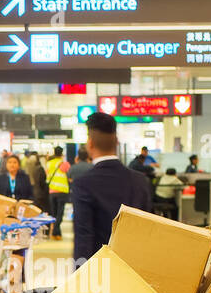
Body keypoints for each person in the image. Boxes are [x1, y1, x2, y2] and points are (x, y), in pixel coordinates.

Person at [69, 111, 152, 262]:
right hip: (135, 271)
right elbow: (147, 234)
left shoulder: (83, 184)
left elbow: (84, 237)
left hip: (101, 273)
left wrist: (80, 279)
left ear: (90, 144)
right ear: (117, 142)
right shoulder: (140, 181)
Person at [44, 147, 70, 239]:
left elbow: (47, 176)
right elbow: (69, 176)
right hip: (62, 191)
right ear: (62, 154)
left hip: (52, 191)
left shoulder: (49, 163)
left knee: (54, 213)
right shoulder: (65, 164)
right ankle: (56, 232)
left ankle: (57, 234)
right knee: (60, 213)